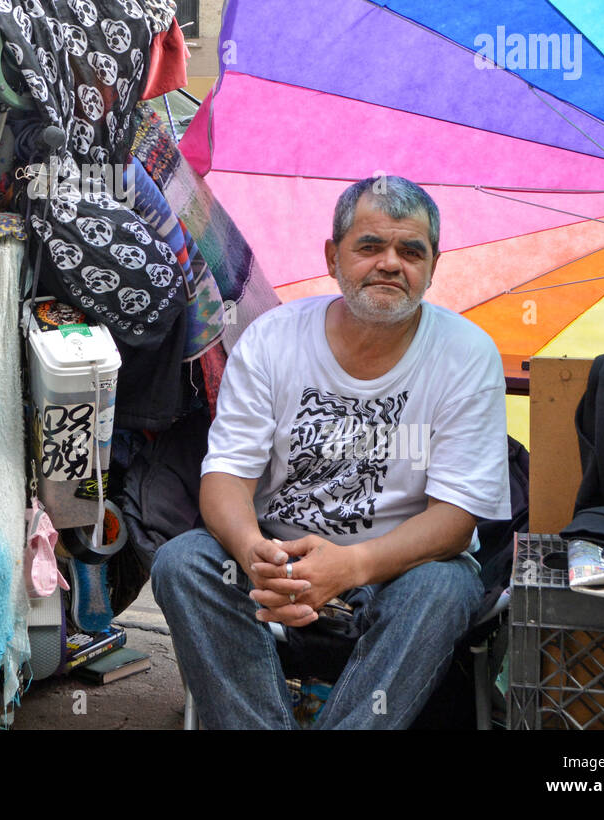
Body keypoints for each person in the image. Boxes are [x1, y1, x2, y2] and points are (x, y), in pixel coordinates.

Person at [152, 176, 510, 729]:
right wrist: (254, 553)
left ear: (433, 267)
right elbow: (225, 476)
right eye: (370, 246)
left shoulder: (466, 354)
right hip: (277, 567)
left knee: (447, 584)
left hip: (398, 577)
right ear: (332, 256)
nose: (391, 263)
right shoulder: (273, 339)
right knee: (184, 563)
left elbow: (455, 523)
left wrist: (350, 567)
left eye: (410, 251)